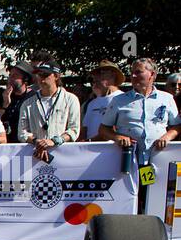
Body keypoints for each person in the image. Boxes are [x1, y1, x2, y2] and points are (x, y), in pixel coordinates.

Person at [98, 58, 180, 191]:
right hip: (128, 161)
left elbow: (177, 126)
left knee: (152, 197)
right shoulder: (118, 100)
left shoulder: (166, 98)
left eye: (138, 72)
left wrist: (167, 137)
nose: (133, 76)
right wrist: (117, 137)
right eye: (132, 73)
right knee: (129, 198)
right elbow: (103, 129)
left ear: (152, 74)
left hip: (157, 160)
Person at [17, 60, 81, 162]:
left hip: (63, 156)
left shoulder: (70, 99)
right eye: (39, 75)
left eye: (45, 75)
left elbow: (74, 130)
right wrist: (37, 142)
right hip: (35, 155)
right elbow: (22, 132)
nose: (41, 79)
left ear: (56, 76)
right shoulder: (27, 103)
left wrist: (54, 141)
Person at [80, 60, 125, 141]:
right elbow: (84, 129)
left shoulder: (122, 99)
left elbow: (117, 129)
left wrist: (91, 141)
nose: (95, 77)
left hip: (113, 150)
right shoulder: (90, 103)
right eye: (94, 74)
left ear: (113, 75)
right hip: (89, 150)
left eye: (101, 72)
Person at [0, 60, 36, 143]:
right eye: (10, 75)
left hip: (25, 146)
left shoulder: (34, 97)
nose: (10, 79)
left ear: (25, 79)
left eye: (15, 76)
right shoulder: (4, 96)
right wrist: (5, 104)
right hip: (6, 145)